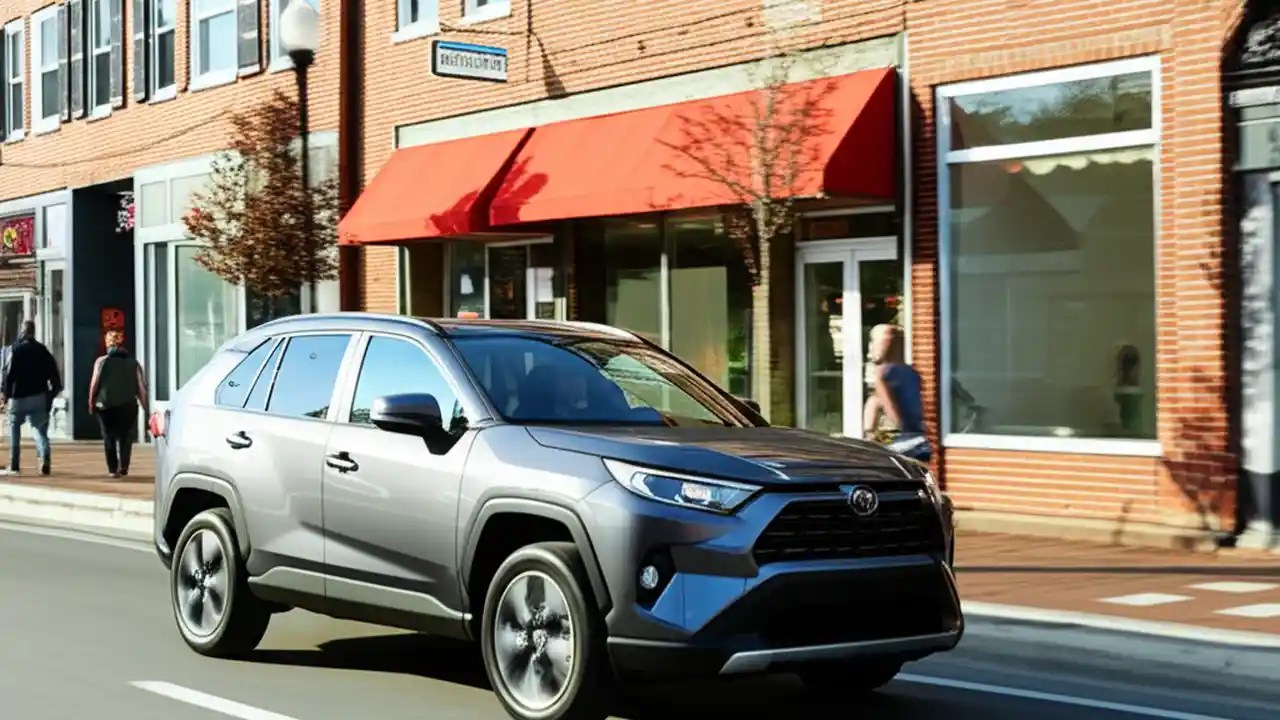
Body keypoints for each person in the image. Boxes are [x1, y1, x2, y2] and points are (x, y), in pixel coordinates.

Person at [0, 320, 62, 475]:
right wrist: (51, 394)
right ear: (34, 332)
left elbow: (9, 374)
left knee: (14, 429)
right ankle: (44, 456)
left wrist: (5, 394)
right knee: (40, 430)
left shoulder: (15, 350)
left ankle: (14, 463)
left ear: (22, 331)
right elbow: (54, 375)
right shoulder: (42, 350)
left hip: (18, 396)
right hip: (38, 395)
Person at [862, 323, 930, 462]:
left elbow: (892, 413)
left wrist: (871, 437)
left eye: (874, 341)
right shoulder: (912, 372)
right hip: (921, 437)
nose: (872, 347)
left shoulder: (883, 374)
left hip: (902, 441)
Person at [88, 331, 149, 478]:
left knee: (108, 437)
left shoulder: (101, 361)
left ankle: (112, 469)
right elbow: (142, 388)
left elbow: (94, 384)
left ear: (107, 344)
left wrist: (91, 402)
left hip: (105, 406)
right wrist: (146, 408)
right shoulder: (134, 363)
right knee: (125, 437)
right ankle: (124, 467)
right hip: (128, 405)